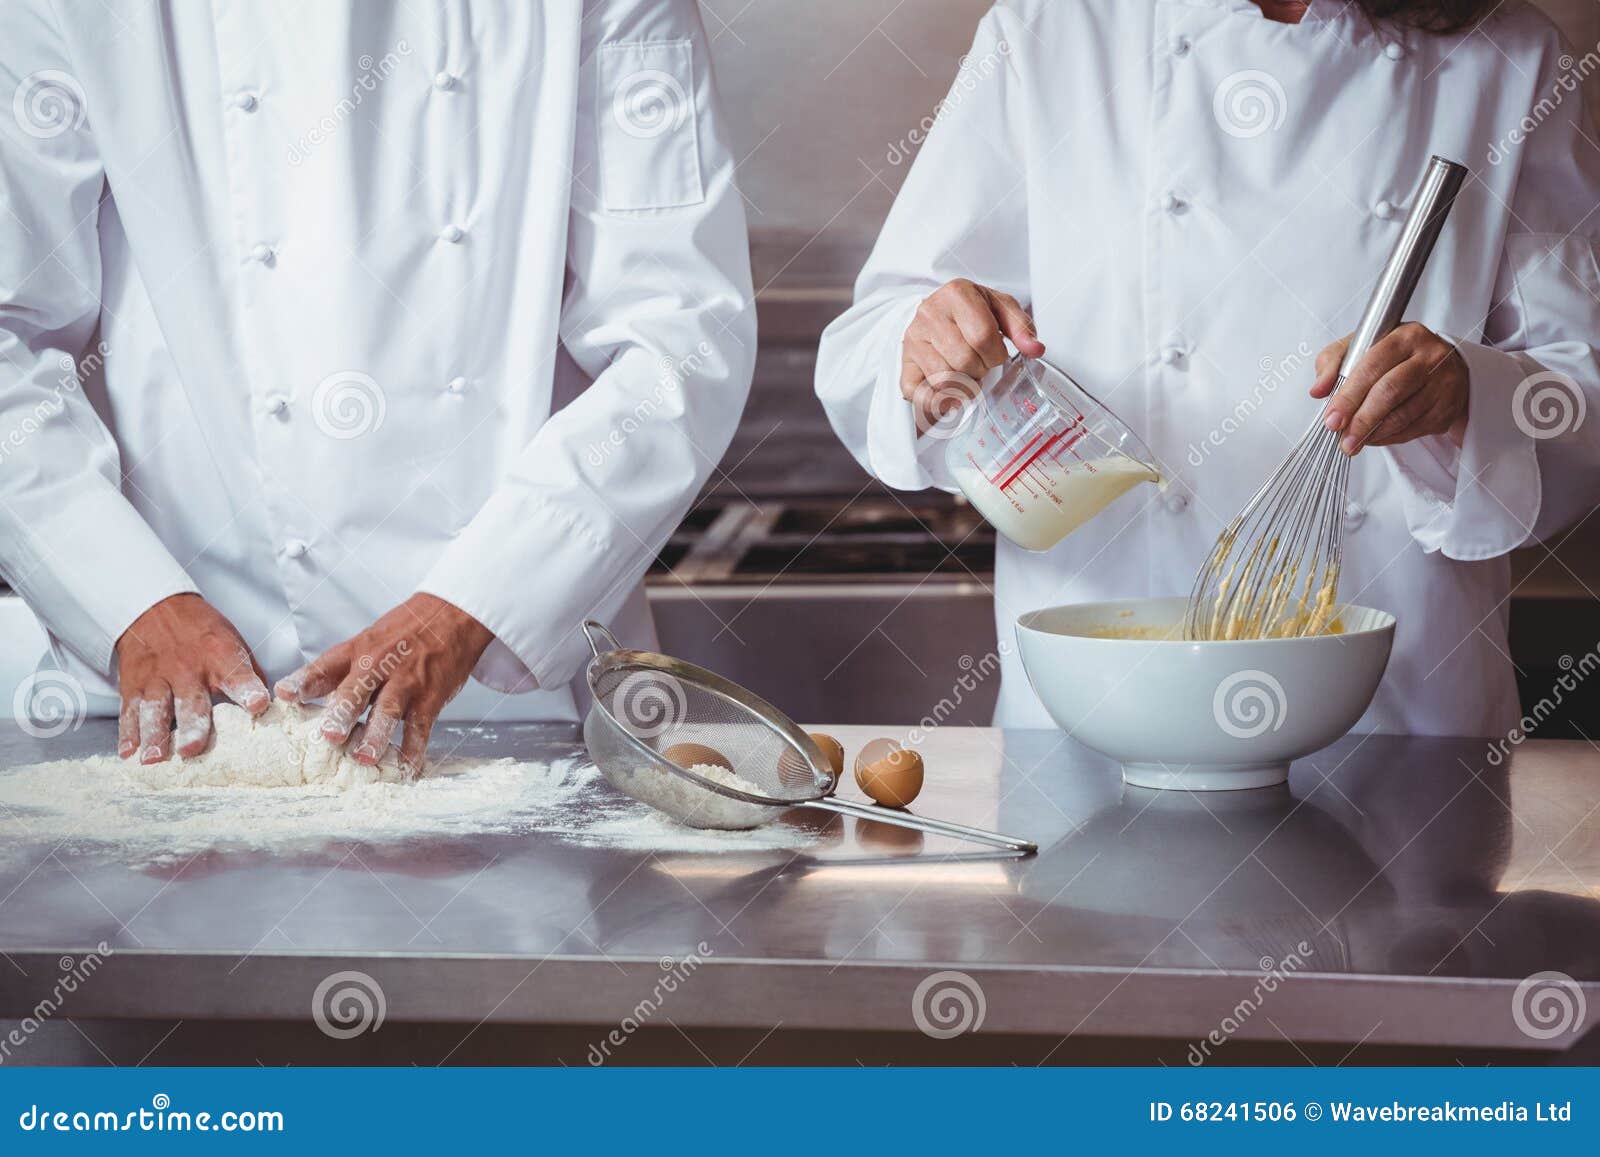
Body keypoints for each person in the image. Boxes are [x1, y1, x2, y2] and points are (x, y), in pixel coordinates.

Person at [0, 0, 754, 770]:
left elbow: (683, 335)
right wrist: (125, 600)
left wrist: (481, 601)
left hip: (504, 700)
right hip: (179, 696)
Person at [816, 0, 1600, 736]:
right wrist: (924, 347)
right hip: (1101, 709)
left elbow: (1577, 391)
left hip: (1401, 717)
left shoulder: (1511, 56)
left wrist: (1468, 394)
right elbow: (870, 347)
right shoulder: (1054, 30)